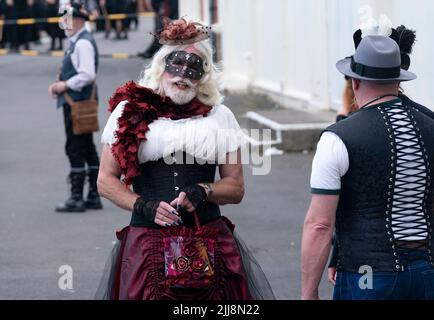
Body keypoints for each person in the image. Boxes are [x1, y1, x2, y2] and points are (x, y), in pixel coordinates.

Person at [95, 18, 274, 300]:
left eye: (194, 68)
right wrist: (143, 205)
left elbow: (236, 188)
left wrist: (205, 190)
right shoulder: (129, 112)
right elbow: (105, 180)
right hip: (146, 246)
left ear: (204, 74)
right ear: (161, 64)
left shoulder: (219, 117)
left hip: (207, 243)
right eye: (176, 64)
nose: (183, 75)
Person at [302, 35, 434, 300]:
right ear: (399, 79)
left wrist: (309, 292)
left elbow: (319, 224)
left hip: (366, 274)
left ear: (355, 81)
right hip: (427, 272)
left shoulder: (337, 137)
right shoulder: (430, 126)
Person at [328, 23, 418, 285]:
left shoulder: (344, 133)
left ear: (357, 81)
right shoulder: (426, 123)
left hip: (368, 264)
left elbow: (333, 212)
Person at [48, 1, 102, 213]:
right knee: (86, 146)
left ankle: (77, 197)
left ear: (78, 20)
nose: (64, 23)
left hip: (78, 103)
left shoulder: (82, 43)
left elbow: (87, 75)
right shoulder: (78, 41)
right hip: (79, 101)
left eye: (67, 19)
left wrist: (64, 85)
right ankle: (94, 196)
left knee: (76, 147)